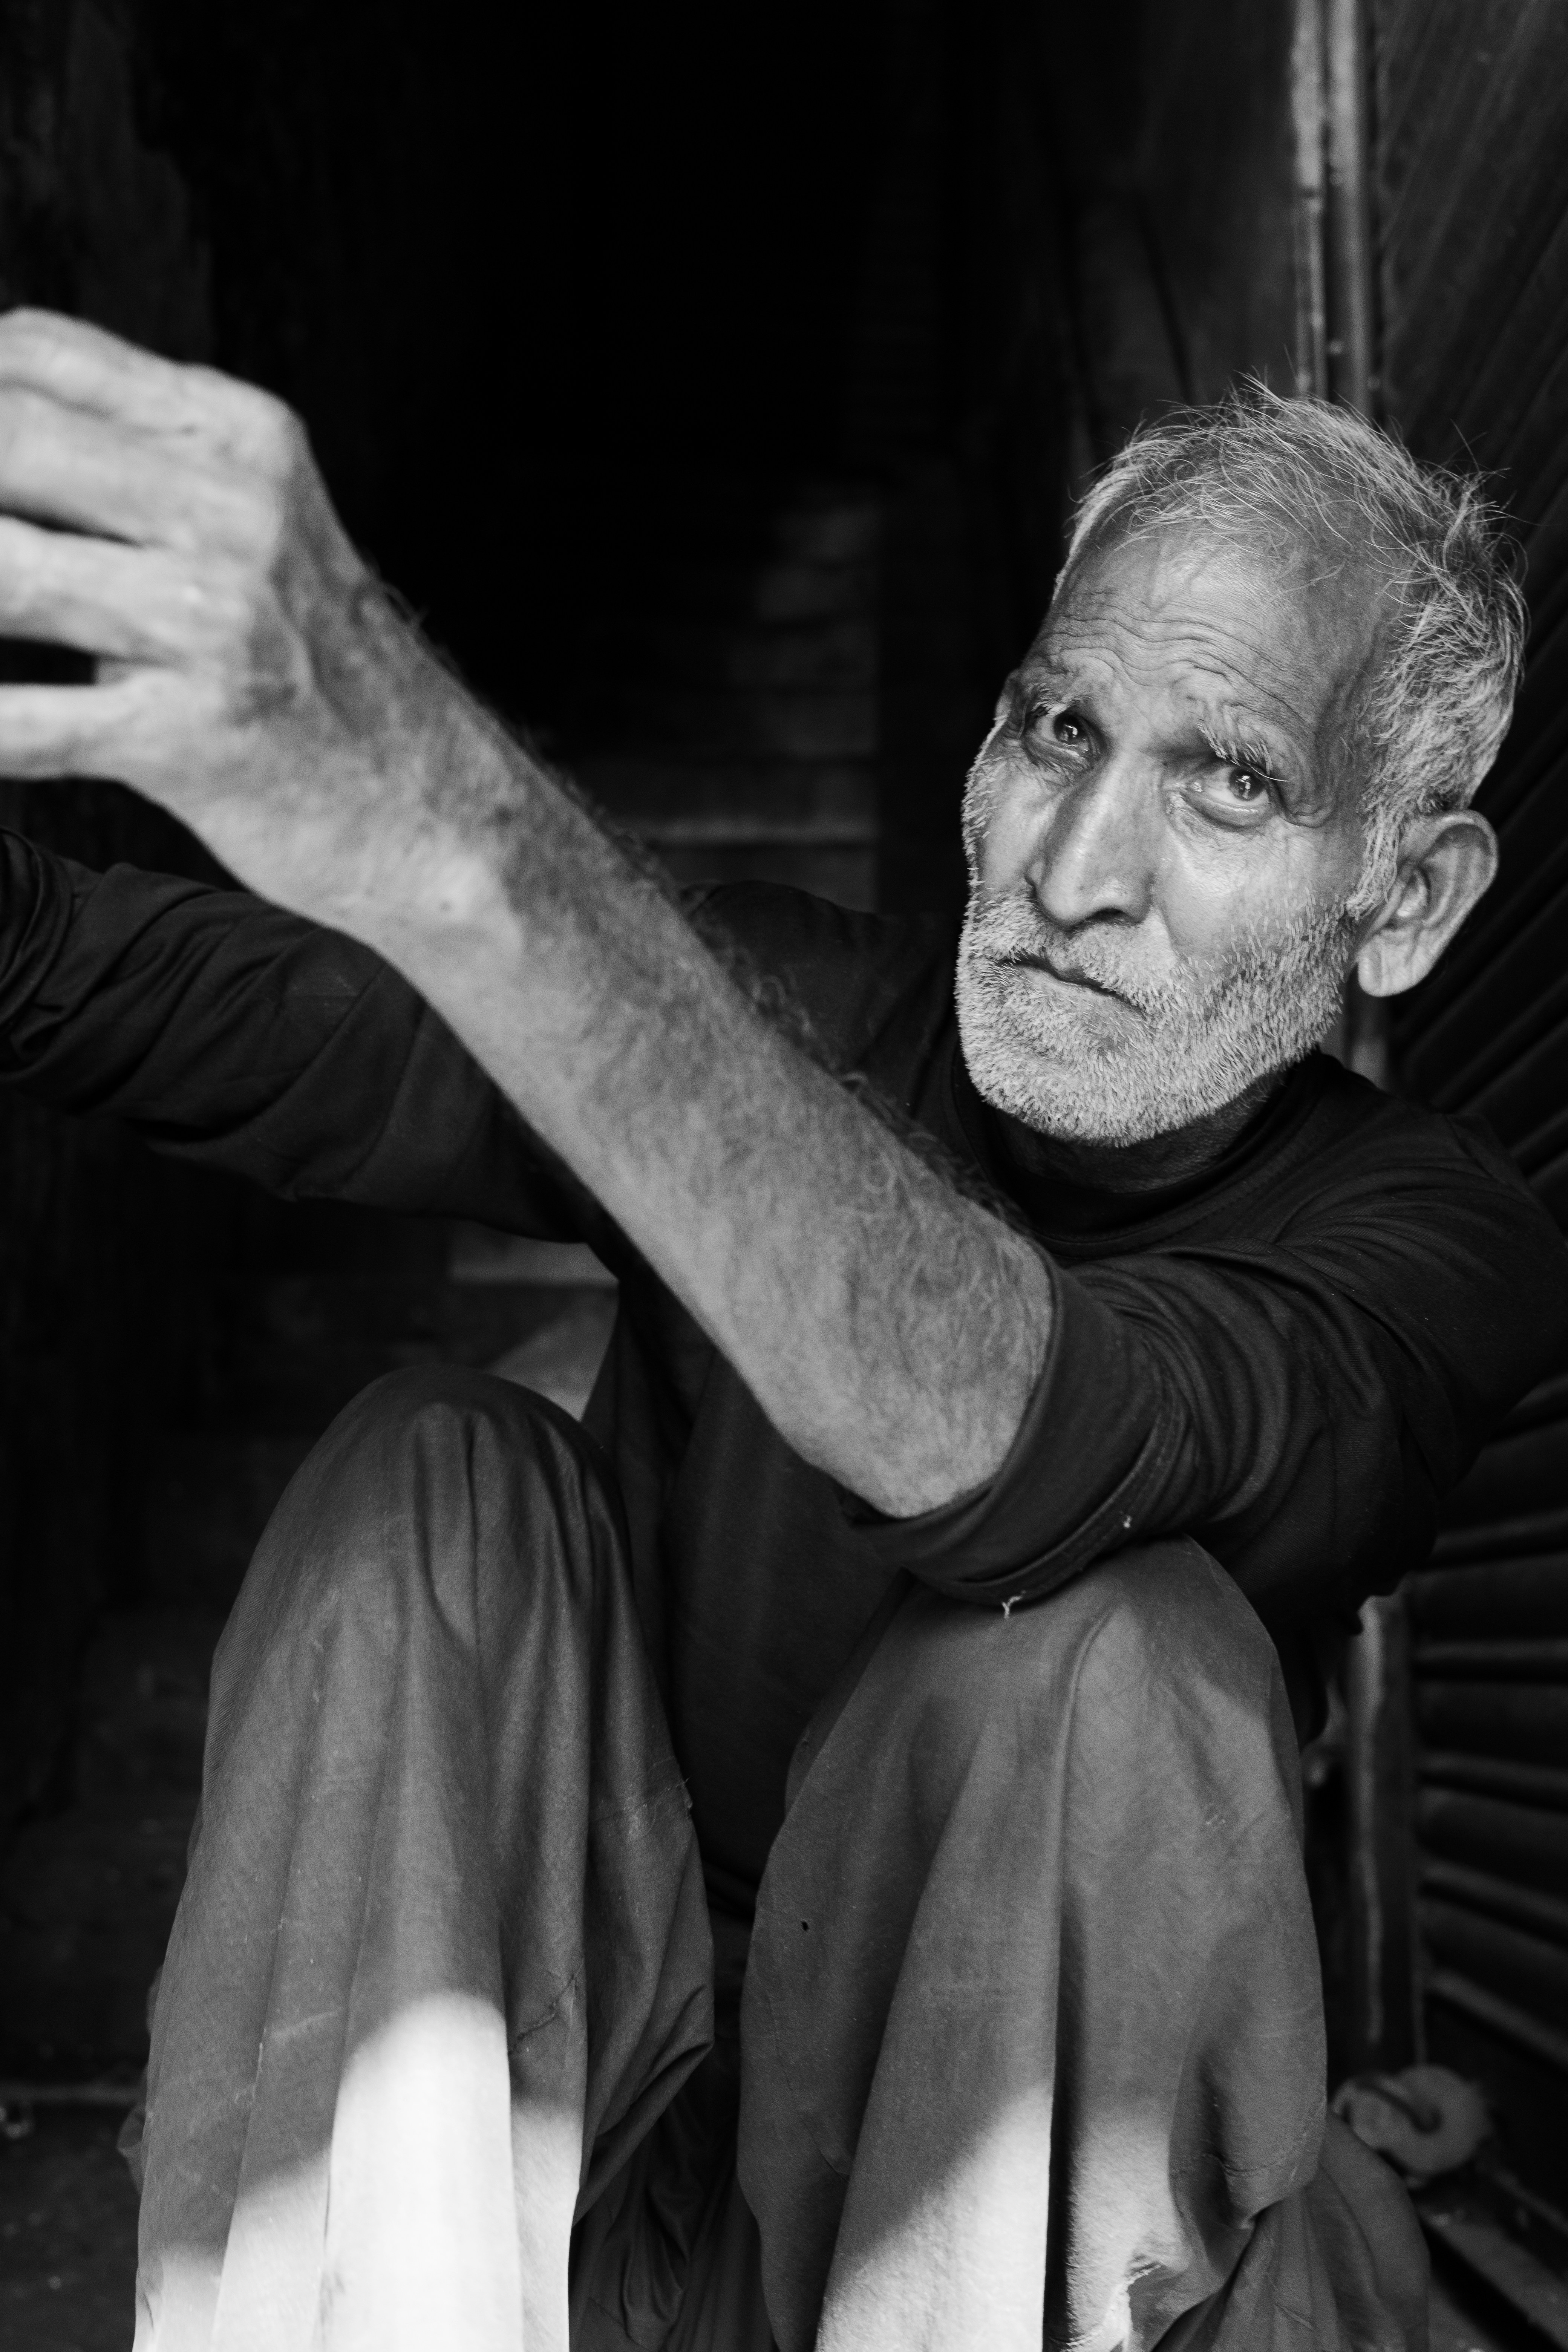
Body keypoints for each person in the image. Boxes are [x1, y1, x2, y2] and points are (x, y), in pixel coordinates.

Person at [0, 310, 1561, 2352]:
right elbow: (228, 1006)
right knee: (429, 1476)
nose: (1076, 872)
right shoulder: (796, 1013)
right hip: (577, 2153)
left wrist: (446, 822)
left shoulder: (1430, 1244)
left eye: (1233, 785)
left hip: (977, 2237)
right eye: (1057, 731)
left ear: (1406, 900)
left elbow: (1037, 1439)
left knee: (1111, 1654)